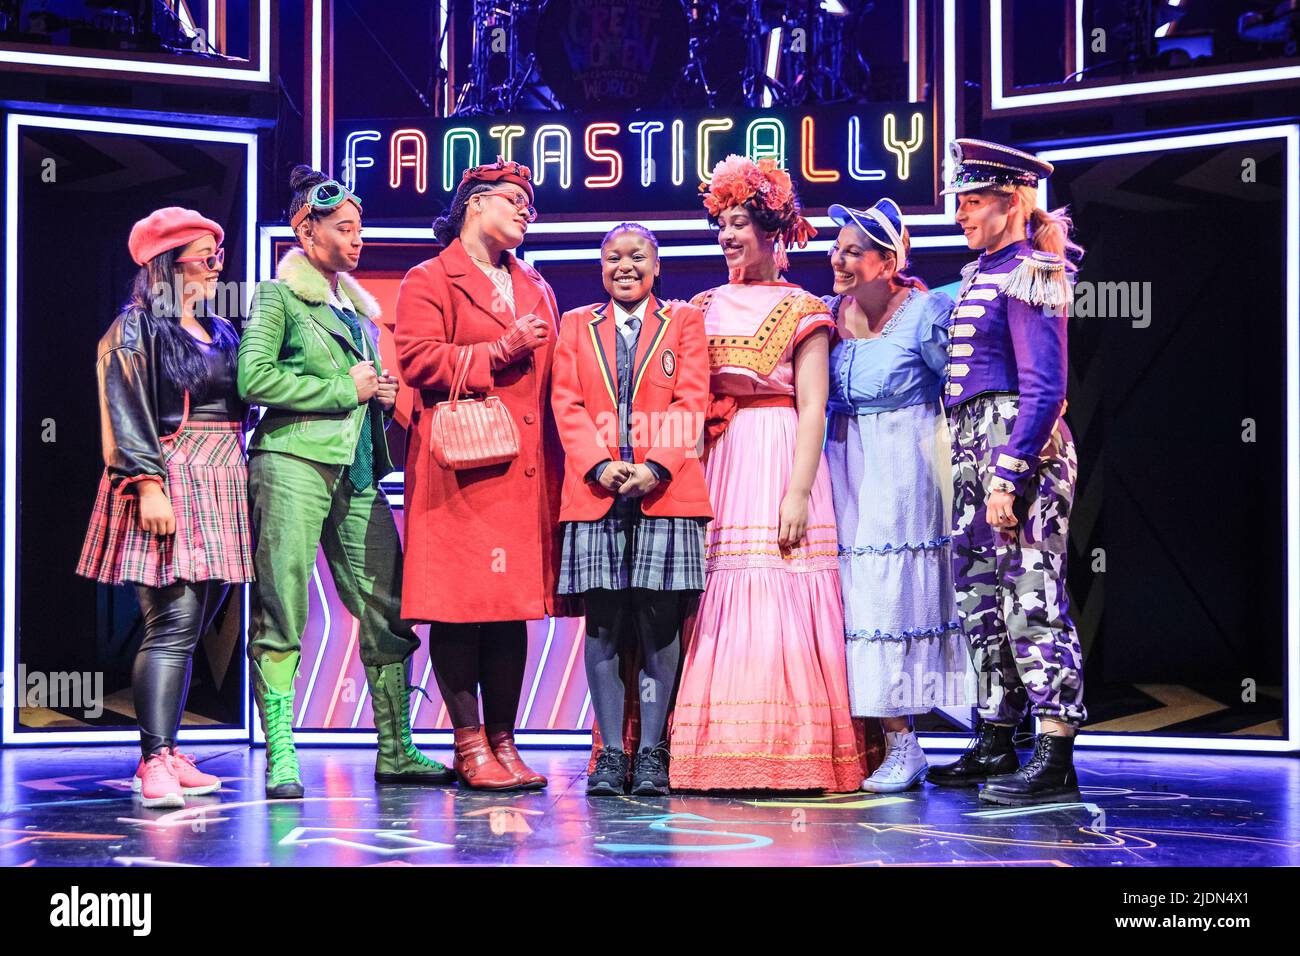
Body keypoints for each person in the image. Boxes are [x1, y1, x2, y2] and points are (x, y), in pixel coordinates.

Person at [238, 165, 453, 799]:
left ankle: (396, 749)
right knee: (284, 607)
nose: (358, 240)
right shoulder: (278, 297)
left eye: (360, 228)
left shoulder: (355, 310)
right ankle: (282, 756)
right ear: (307, 233)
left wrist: (378, 396)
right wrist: (342, 390)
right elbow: (252, 381)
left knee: (387, 605)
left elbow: (357, 391)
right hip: (293, 462)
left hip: (358, 469)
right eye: (345, 228)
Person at [668, 155, 865, 792]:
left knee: (780, 580)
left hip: (780, 449)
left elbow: (813, 405)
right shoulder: (700, 305)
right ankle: (719, 748)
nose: (727, 236)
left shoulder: (805, 308)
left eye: (739, 224)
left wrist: (800, 491)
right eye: (721, 223)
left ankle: (791, 748)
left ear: (772, 231)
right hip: (720, 456)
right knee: (720, 590)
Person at [394, 157, 567, 791]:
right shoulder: (429, 278)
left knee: (508, 610)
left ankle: (505, 740)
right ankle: (469, 744)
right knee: (461, 609)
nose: (527, 212)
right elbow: (415, 360)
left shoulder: (536, 286)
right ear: (475, 204)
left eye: (530, 205)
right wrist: (496, 351)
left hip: (521, 472)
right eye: (515, 201)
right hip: (458, 471)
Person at [926, 138, 1088, 805]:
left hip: (1016, 443)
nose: (961, 214)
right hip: (971, 442)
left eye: (973, 202)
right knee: (980, 596)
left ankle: (1054, 755)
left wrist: (1008, 475)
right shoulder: (979, 274)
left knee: (1031, 593)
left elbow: (1045, 387)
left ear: (1013, 200)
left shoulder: (1033, 270)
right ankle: (996, 738)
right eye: (960, 202)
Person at [77, 207, 251, 808]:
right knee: (171, 625)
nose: (216, 269)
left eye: (218, 257)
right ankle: (152, 760)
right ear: (167, 266)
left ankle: (168, 746)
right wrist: (147, 484)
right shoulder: (135, 328)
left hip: (223, 481)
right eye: (206, 259)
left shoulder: (221, 331)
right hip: (171, 479)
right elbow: (125, 410)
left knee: (196, 625)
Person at [551, 223, 711, 796]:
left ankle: (651, 753)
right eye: (614, 256)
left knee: (658, 623)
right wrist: (598, 464)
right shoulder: (575, 325)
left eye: (637, 256)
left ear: (656, 265)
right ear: (600, 266)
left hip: (665, 496)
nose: (626, 265)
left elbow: (694, 397)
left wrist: (655, 467)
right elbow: (565, 405)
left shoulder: (684, 321)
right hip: (595, 497)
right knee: (603, 627)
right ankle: (611, 755)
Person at [822, 198, 975, 792]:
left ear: (888, 262)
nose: (839, 258)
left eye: (853, 251)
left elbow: (962, 389)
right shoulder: (834, 314)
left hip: (907, 460)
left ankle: (939, 738)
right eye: (838, 248)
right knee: (859, 600)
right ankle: (891, 741)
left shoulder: (926, 312)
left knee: (900, 596)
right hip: (847, 458)